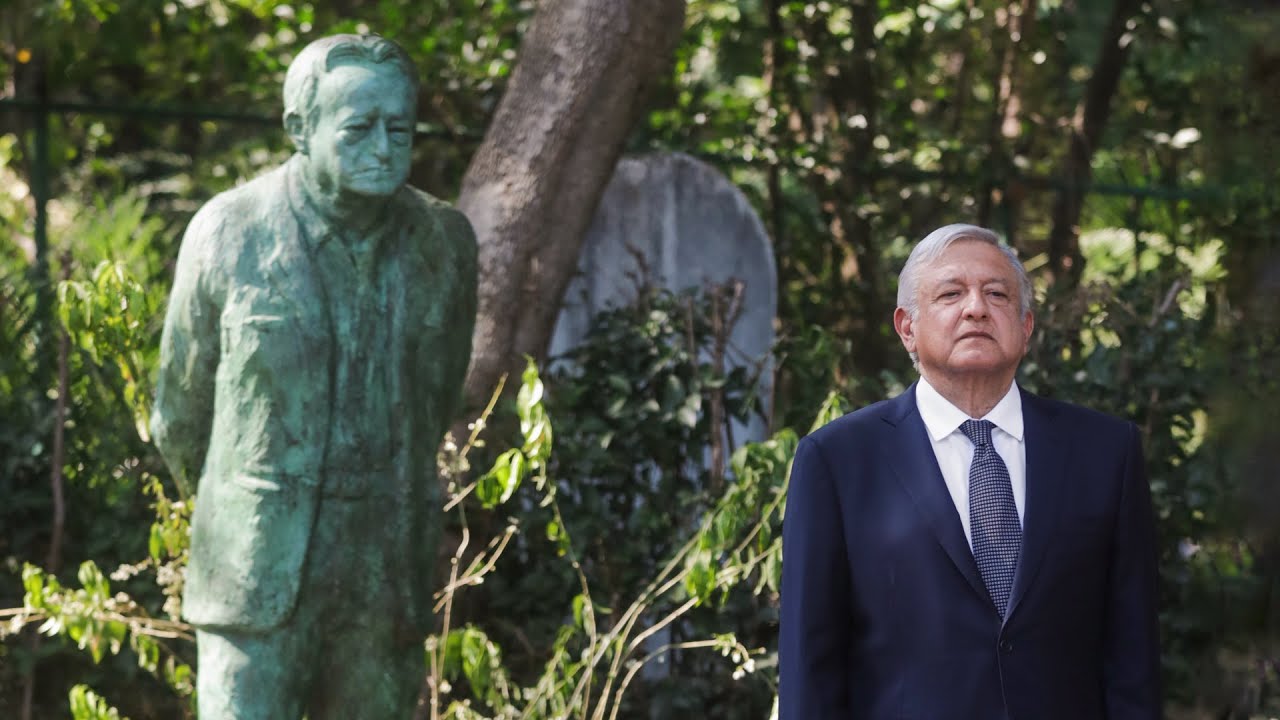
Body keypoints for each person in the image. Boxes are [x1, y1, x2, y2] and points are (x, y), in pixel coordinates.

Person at [151, 34, 477, 719]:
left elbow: (438, 397)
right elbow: (180, 415)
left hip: (384, 573)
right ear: (300, 129)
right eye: (359, 128)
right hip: (254, 572)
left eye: (400, 129)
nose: (384, 148)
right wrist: (243, 505)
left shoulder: (445, 243)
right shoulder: (228, 232)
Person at [778, 224, 1160, 719]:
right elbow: (811, 663)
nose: (976, 307)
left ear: (1025, 327)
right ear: (907, 327)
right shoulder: (837, 460)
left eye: (997, 293)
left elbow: (1134, 653)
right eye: (950, 293)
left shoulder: (1107, 452)